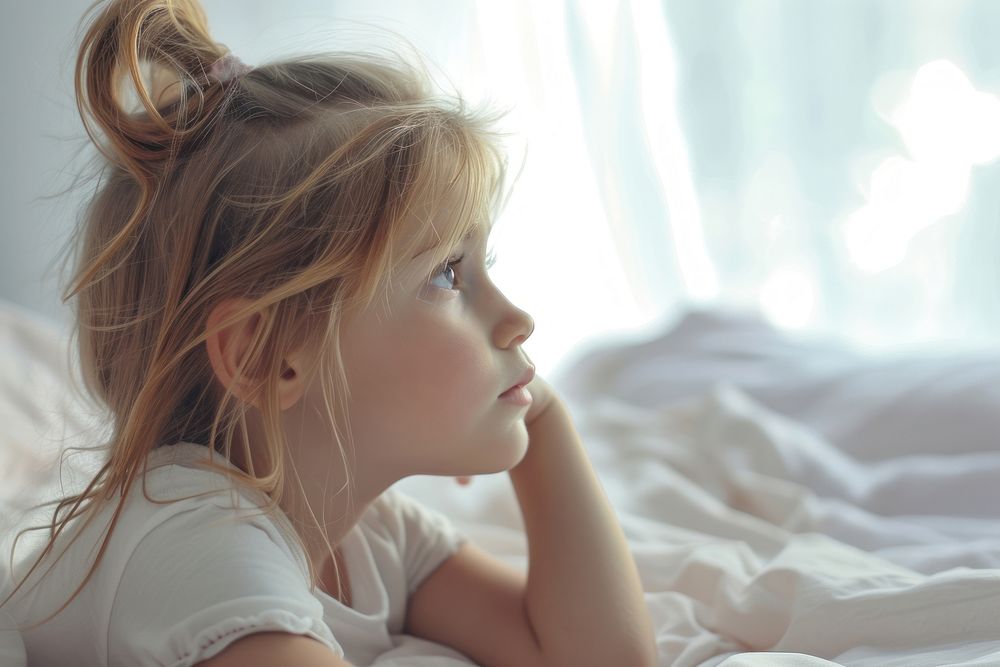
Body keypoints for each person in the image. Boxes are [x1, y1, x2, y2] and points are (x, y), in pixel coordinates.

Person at [0, 0, 656, 665]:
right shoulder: (199, 546)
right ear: (266, 358)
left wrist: (544, 428)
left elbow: (602, 657)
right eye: (448, 275)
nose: (519, 319)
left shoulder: (362, 529)